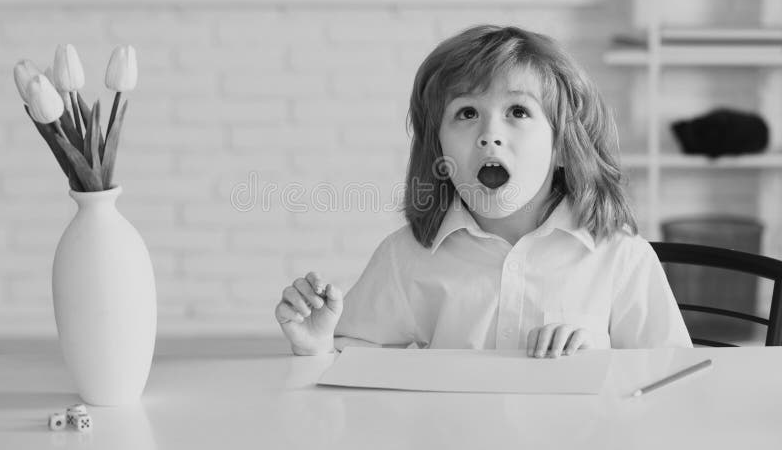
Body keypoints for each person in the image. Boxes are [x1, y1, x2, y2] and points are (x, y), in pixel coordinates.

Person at [274, 25, 692, 357]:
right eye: (467, 112)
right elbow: (354, 364)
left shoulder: (619, 256)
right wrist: (318, 347)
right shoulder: (407, 257)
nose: (489, 134)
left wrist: (599, 359)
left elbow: (671, 380)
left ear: (563, 147)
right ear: (438, 149)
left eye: (518, 111)